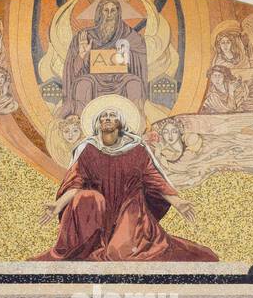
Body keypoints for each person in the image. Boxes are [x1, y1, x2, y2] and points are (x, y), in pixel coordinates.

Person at [30, 104, 217, 262]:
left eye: (112, 116)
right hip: (99, 212)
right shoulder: (89, 150)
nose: (107, 118)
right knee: (87, 196)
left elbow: (155, 180)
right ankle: (86, 244)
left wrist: (178, 202)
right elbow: (75, 183)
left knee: (120, 252)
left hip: (130, 207)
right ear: (97, 124)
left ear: (120, 123)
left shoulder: (136, 150)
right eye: (103, 116)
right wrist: (58, 205)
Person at [59, 0, 148, 118]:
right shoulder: (86, 36)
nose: (109, 14)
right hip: (93, 79)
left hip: (120, 79)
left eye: (113, 10)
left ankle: (135, 122)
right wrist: (82, 55)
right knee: (83, 84)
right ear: (100, 13)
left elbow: (139, 61)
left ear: (118, 13)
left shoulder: (130, 35)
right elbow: (74, 70)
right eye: (106, 10)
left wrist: (127, 56)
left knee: (134, 83)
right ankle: (83, 122)